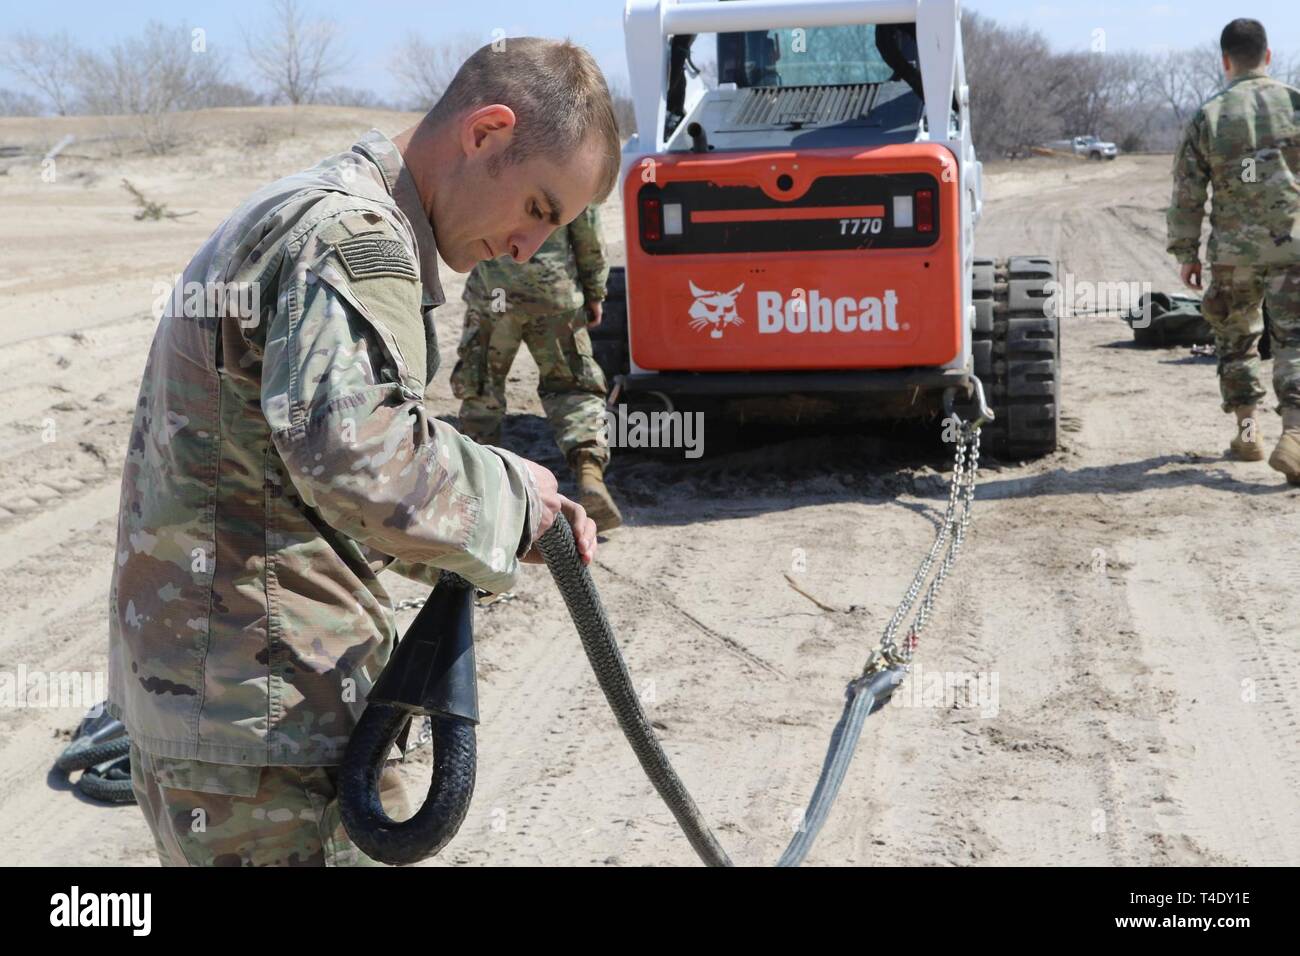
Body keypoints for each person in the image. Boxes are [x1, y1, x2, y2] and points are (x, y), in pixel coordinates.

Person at [108, 38, 620, 866]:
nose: (529, 248)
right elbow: (355, 456)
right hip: (273, 729)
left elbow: (289, 466)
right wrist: (513, 495)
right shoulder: (355, 233)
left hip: (218, 712)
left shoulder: (306, 206)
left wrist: (509, 502)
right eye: (537, 206)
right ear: (487, 132)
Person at [1167, 18, 1300, 482]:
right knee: (1295, 341)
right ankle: (1296, 436)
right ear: (1268, 56)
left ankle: (1248, 433)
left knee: (1237, 340)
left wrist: (1186, 252)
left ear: (1225, 61)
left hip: (1232, 253)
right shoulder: (1294, 103)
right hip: (1293, 250)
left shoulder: (1210, 113)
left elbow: (1187, 191)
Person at [451, 203, 623, 532]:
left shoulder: (487, 159)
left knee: (482, 389)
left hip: (495, 293)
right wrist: (595, 291)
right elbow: (588, 235)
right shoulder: (565, 159)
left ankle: (483, 490)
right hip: (554, 292)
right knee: (573, 385)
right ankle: (590, 475)